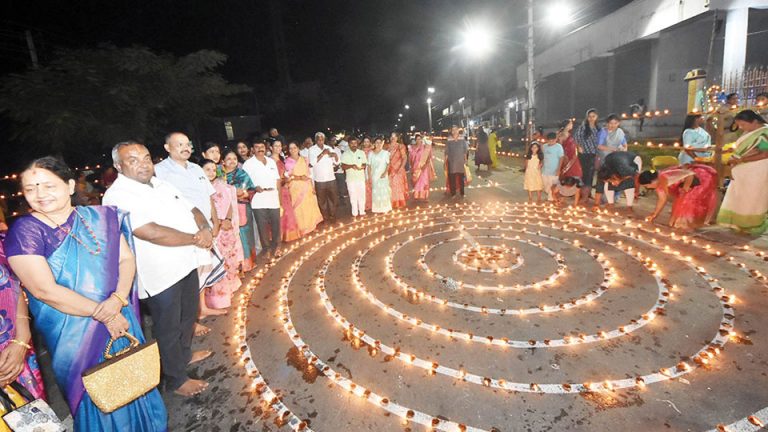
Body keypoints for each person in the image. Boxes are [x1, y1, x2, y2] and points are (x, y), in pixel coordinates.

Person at [7, 156, 168, 429]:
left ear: (70, 185)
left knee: (136, 378)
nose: (40, 194)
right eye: (31, 188)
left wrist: (117, 301)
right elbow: (43, 290)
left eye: (48, 185)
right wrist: (103, 313)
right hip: (75, 332)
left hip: (119, 315)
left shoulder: (99, 217)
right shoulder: (25, 231)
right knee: (99, 399)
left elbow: (126, 260)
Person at [103, 142, 213, 399]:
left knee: (188, 316)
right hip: (159, 275)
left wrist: (205, 229)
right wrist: (197, 238)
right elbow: (148, 231)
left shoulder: (160, 183)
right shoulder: (118, 194)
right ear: (119, 166)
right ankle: (175, 379)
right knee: (168, 326)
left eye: (146, 157)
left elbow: (194, 208)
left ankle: (183, 357)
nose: (143, 163)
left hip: (186, 263)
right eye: (133, 160)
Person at [154, 132, 222, 334]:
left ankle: (201, 310)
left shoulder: (196, 169)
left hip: (206, 229)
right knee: (187, 276)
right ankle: (188, 322)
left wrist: (215, 221)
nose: (185, 148)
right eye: (179, 144)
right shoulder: (159, 171)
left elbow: (208, 197)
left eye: (187, 144)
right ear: (167, 148)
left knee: (203, 271)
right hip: (183, 234)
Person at [0, 240, 45, 400]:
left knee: (33, 421)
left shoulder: (4, 243)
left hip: (15, 357)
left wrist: (21, 341)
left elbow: (15, 288)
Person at [201, 160, 244, 309]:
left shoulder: (223, 186)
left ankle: (232, 286)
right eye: (207, 169)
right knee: (217, 263)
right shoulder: (200, 190)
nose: (211, 172)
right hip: (213, 231)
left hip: (226, 228)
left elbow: (231, 204)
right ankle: (219, 297)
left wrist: (227, 219)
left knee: (229, 259)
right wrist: (218, 222)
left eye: (213, 169)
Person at [717, 110, 768, 234]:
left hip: (757, 171)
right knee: (740, 196)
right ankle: (738, 224)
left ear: (755, 122)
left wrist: (743, 159)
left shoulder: (763, 133)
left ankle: (752, 225)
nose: (741, 128)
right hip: (743, 171)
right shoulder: (751, 132)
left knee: (753, 198)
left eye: (743, 124)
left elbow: (765, 154)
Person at [639, 164, 717, 230]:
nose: (648, 188)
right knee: (679, 207)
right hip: (685, 187)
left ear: (653, 181)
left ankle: (692, 224)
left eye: (647, 185)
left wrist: (686, 187)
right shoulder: (659, 185)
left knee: (689, 201)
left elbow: (689, 174)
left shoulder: (666, 175)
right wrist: (654, 215)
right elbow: (662, 199)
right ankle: (681, 224)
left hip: (701, 178)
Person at [243, 142, 282, 258]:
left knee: (276, 224)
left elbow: (277, 180)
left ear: (265, 149)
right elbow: (245, 183)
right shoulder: (248, 164)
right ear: (252, 149)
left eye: (262, 147)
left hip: (273, 197)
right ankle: (267, 248)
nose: (260, 149)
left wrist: (279, 198)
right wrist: (254, 187)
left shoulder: (271, 161)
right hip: (258, 200)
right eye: (257, 147)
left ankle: (277, 246)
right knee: (262, 226)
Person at [222, 150, 260, 271]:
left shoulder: (242, 173)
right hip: (226, 211)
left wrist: (243, 194)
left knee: (245, 235)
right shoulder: (218, 176)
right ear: (223, 161)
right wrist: (233, 193)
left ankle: (248, 263)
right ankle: (234, 266)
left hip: (242, 208)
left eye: (234, 159)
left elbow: (251, 189)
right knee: (231, 236)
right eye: (229, 159)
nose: (232, 161)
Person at [284, 142, 323, 235]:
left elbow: (309, 174)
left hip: (307, 185)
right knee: (299, 208)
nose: (293, 150)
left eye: (294, 147)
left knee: (309, 205)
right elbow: (287, 177)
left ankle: (312, 226)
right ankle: (302, 228)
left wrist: (313, 187)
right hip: (295, 187)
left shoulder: (305, 159)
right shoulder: (288, 162)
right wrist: (299, 178)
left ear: (298, 148)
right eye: (290, 148)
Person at [271, 140, 300, 242]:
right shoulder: (271, 161)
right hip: (278, 189)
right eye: (276, 146)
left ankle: (288, 235)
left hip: (285, 188)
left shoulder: (281, 159)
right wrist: (284, 181)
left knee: (288, 211)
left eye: (280, 146)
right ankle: (281, 236)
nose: (278, 148)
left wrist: (287, 179)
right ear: (271, 147)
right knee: (282, 212)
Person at [308, 132, 340, 224]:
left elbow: (337, 163)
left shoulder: (329, 148)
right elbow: (311, 163)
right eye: (318, 138)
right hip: (319, 179)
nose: (320, 140)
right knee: (322, 201)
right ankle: (325, 218)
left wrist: (335, 156)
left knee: (333, 199)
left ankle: (333, 217)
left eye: (322, 139)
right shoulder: (312, 149)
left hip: (331, 178)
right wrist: (322, 154)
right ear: (315, 140)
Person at [574, 109, 600, 201]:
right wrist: (578, 147)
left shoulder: (598, 129)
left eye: (593, 116)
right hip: (584, 154)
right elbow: (576, 138)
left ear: (596, 117)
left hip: (593, 154)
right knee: (584, 175)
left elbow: (600, 143)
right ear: (587, 117)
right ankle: (583, 195)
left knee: (591, 175)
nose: (591, 118)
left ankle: (587, 194)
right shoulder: (583, 127)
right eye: (589, 116)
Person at [341, 137, 368, 217]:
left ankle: (362, 211)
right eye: (352, 143)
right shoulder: (345, 154)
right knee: (353, 196)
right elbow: (343, 166)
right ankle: (355, 213)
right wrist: (351, 166)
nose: (354, 145)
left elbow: (364, 164)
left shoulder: (361, 153)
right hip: (351, 179)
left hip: (360, 178)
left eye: (355, 143)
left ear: (357, 144)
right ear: (349, 144)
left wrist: (362, 166)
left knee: (362, 195)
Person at [369, 137, 392, 213]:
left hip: (383, 175)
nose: (378, 144)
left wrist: (385, 173)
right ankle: (377, 208)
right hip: (374, 176)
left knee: (384, 191)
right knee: (376, 191)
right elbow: (369, 166)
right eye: (377, 143)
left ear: (382, 143)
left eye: (380, 142)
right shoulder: (371, 153)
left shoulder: (385, 153)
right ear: (374, 144)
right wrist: (369, 176)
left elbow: (388, 164)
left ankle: (385, 208)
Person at [409, 134, 436, 202]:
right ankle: (416, 195)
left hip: (424, 167)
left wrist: (425, 164)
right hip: (415, 167)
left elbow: (428, 156)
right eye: (417, 139)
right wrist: (411, 166)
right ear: (415, 140)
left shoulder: (425, 147)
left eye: (420, 139)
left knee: (424, 182)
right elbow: (410, 158)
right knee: (416, 182)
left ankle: (425, 197)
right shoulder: (412, 148)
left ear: (422, 140)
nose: (419, 140)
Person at [446, 125, 469, 198]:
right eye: (453, 130)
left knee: (461, 178)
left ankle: (462, 193)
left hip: (460, 161)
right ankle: (453, 193)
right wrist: (444, 161)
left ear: (458, 130)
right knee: (452, 178)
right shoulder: (449, 139)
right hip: (452, 162)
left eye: (456, 129)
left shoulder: (462, 138)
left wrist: (465, 160)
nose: (455, 131)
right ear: (451, 131)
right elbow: (447, 151)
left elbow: (465, 150)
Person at [541, 132, 564, 202]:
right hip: (545, 170)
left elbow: (561, 158)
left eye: (553, 141)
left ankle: (550, 198)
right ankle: (552, 195)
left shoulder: (558, 147)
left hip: (554, 170)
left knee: (552, 185)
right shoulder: (544, 146)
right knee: (545, 184)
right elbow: (543, 156)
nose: (551, 142)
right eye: (549, 141)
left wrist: (558, 169)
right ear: (547, 140)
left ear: (556, 139)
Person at [388, 133, 409, 208]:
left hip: (398, 169)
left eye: (394, 136)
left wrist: (401, 167)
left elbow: (405, 158)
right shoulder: (387, 146)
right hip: (390, 169)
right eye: (391, 136)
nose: (393, 138)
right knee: (391, 186)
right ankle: (391, 202)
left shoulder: (400, 146)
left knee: (398, 186)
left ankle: (398, 202)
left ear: (397, 138)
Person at [330, 136, 348, 200]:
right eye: (332, 140)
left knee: (341, 184)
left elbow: (340, 158)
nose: (333, 141)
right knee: (333, 186)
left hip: (339, 169)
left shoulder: (337, 149)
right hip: (330, 171)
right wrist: (333, 166)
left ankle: (341, 197)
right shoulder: (326, 149)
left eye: (334, 140)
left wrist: (338, 165)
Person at [362, 137, 374, 212]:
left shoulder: (372, 151)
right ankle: (367, 205)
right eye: (365, 141)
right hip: (364, 170)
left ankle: (374, 204)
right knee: (366, 188)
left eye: (368, 141)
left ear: (370, 142)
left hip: (372, 170)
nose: (366, 143)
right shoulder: (360, 151)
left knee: (372, 187)